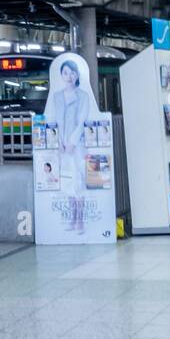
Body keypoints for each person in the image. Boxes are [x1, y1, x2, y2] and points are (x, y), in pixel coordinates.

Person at [43, 56, 97, 234]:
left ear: (76, 74)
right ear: (61, 75)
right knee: (67, 183)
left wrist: (72, 143)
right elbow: (55, 120)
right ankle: (72, 219)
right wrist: (59, 142)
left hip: (78, 146)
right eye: (65, 73)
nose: (68, 76)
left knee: (79, 183)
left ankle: (80, 221)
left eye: (71, 72)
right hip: (62, 147)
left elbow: (82, 121)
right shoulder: (57, 97)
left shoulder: (83, 96)